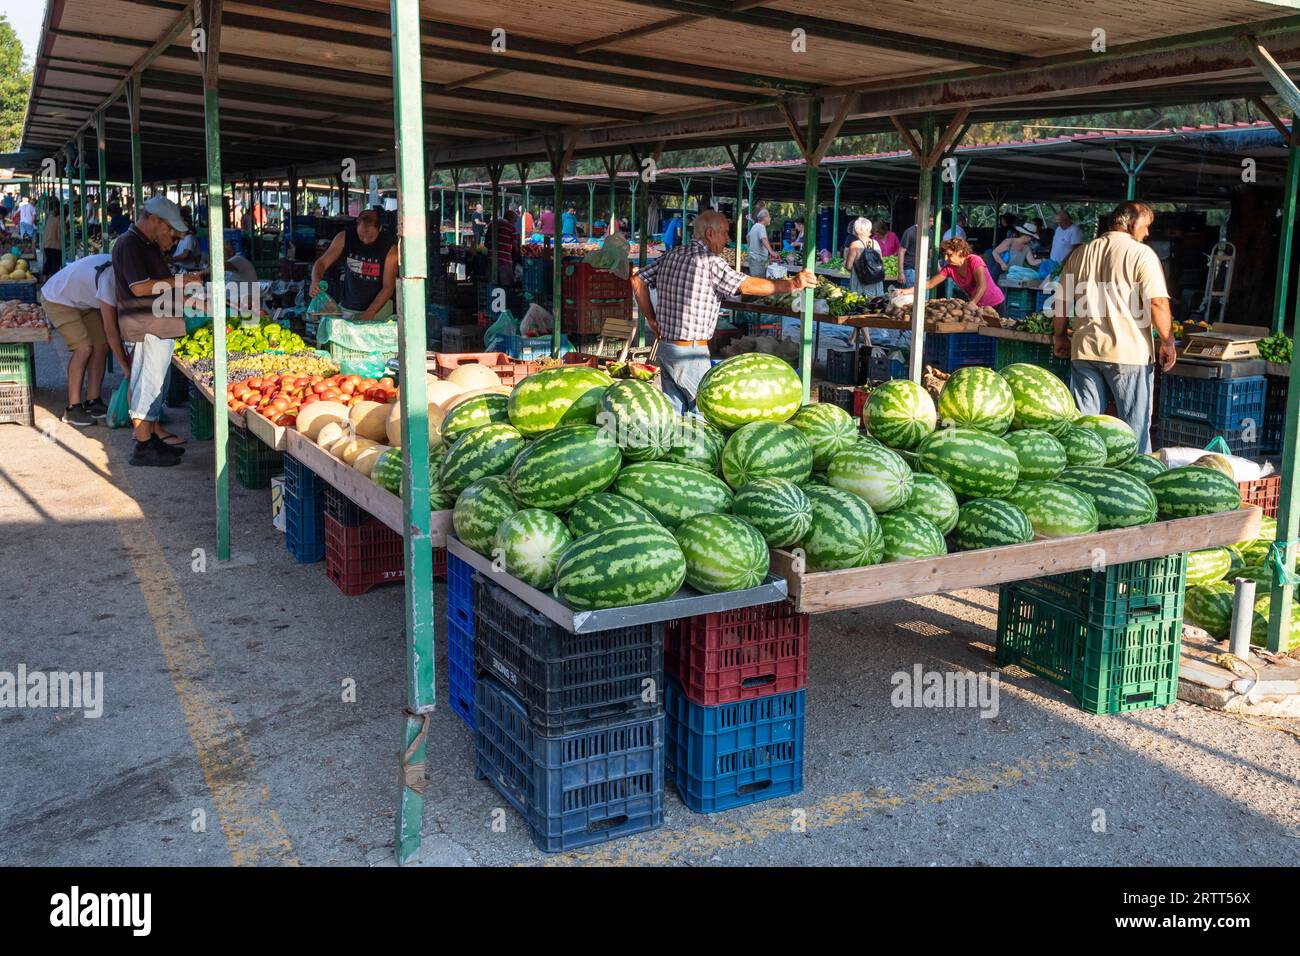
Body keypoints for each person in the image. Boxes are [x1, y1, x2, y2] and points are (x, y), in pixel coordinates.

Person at [630, 209, 815, 414]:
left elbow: (638, 280)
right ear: (710, 234)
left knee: (675, 414)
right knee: (702, 414)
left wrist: (652, 320)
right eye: (725, 232)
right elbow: (746, 286)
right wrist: (791, 284)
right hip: (691, 353)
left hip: (666, 348)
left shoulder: (672, 255)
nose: (728, 239)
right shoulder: (710, 262)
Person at [1053, 201, 1174, 455]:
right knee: (1134, 429)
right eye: (1146, 226)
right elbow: (1158, 302)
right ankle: (1136, 483)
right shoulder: (1141, 254)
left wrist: (1060, 337)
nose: (1148, 233)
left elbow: (1062, 302)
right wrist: (1168, 342)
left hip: (1085, 350)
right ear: (1132, 223)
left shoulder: (1081, 253)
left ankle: (1080, 477)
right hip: (1128, 354)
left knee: (1084, 429)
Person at [112, 196, 207, 466]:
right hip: (147, 326)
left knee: (154, 384)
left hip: (157, 325)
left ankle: (150, 440)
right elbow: (140, 287)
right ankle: (142, 447)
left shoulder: (146, 244)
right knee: (147, 384)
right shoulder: (130, 244)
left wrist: (197, 300)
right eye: (169, 228)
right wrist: (182, 280)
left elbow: (162, 289)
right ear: (153, 219)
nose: (171, 235)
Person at [39, 253, 123, 426]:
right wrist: (126, 367)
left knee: (101, 345)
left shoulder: (123, 266)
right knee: (83, 349)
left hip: (82, 302)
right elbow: (111, 329)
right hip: (57, 299)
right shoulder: (109, 278)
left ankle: (93, 400)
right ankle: (73, 408)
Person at [310, 209, 398, 321]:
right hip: (348, 307)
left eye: (370, 237)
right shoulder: (344, 237)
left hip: (379, 310)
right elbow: (321, 263)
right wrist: (315, 281)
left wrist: (369, 314)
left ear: (379, 229)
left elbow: (388, 287)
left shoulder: (390, 248)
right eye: (361, 236)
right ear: (356, 227)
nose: (365, 241)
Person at [900, 237, 1005, 313]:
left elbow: (982, 286)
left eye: (949, 255)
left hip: (995, 303)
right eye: (944, 255)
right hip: (978, 308)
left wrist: (972, 303)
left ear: (960, 251)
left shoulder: (974, 260)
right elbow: (929, 284)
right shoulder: (949, 269)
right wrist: (905, 291)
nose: (946, 258)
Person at [899, 216, 934, 286]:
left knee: (925, 295)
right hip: (910, 268)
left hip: (924, 270)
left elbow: (930, 252)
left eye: (933, 221)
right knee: (912, 295)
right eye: (930, 221)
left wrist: (936, 267)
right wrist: (901, 272)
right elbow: (901, 252)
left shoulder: (930, 232)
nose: (932, 223)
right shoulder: (910, 232)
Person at [490, 206, 520, 286]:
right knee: (506, 286)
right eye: (515, 220)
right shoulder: (511, 227)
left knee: (492, 285)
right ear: (511, 219)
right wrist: (518, 256)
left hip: (490, 259)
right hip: (504, 261)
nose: (515, 222)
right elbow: (515, 247)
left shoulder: (493, 224)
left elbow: (486, 243)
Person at [745, 208, 774, 277]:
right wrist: (771, 251)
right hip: (758, 260)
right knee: (759, 280)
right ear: (765, 218)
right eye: (769, 217)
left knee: (755, 279)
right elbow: (764, 239)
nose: (770, 218)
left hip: (754, 258)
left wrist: (750, 248)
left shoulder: (755, 226)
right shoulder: (761, 227)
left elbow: (747, 237)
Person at [42, 198, 63, 277]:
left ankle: (45, 278)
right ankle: (53, 280)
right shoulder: (58, 219)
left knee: (49, 261)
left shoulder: (49, 217)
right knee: (55, 264)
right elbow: (60, 233)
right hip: (55, 245)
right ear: (57, 208)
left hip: (47, 243)